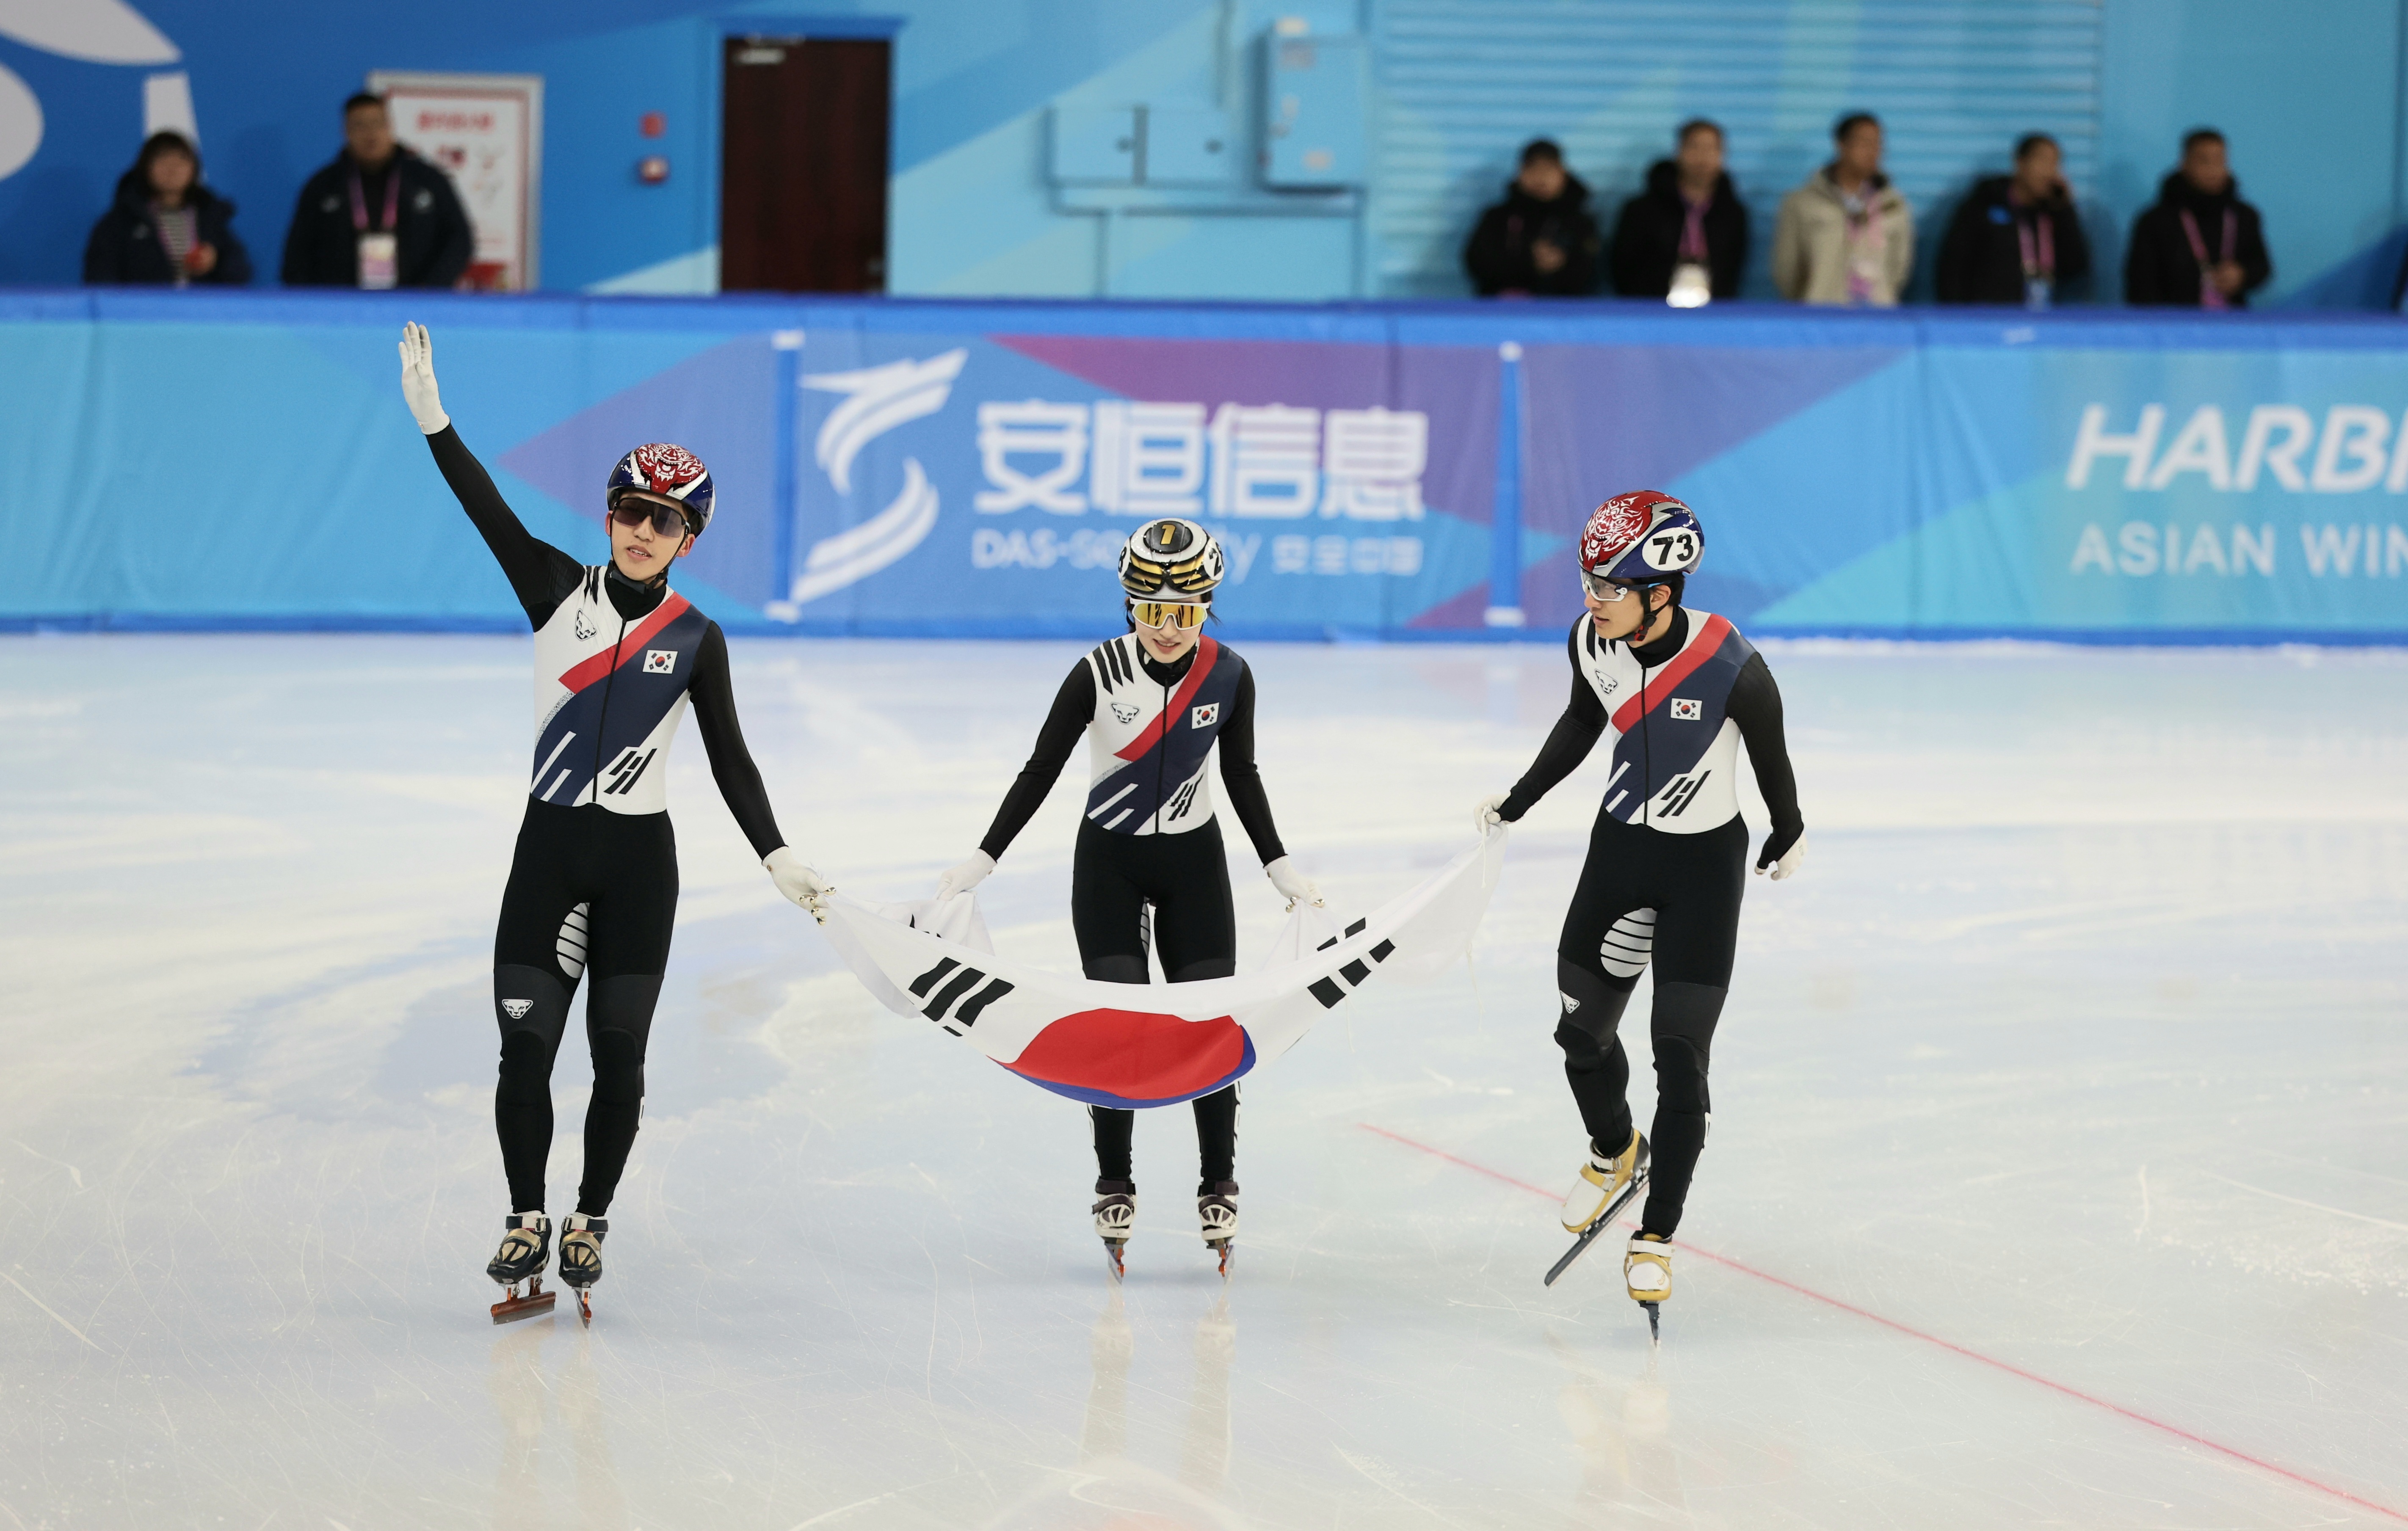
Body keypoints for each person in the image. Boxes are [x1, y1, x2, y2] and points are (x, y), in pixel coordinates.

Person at [393, 323, 830, 1319]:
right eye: (629, 510)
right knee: (524, 1048)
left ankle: (590, 1214)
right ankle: (524, 1214)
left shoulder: (698, 639)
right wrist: (435, 422)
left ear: (690, 539)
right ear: (607, 513)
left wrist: (779, 855)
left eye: (663, 520)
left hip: (638, 863)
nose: (641, 530)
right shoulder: (553, 588)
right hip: (547, 853)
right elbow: (482, 505)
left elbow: (732, 760)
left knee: (619, 1055)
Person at [931, 519, 1317, 1277]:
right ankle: (1115, 1176)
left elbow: (1241, 774)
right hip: (1107, 865)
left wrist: (1278, 865)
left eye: (1184, 611)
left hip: (1194, 867)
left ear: (1207, 604)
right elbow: (1040, 768)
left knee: (1208, 1023)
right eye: (1150, 610)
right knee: (1121, 1024)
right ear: (1128, 605)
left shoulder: (1230, 674)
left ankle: (1217, 1178)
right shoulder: (1095, 673)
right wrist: (985, 854)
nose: (1166, 628)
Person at [1475, 491, 1805, 1324]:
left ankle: (1656, 1233)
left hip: (1703, 869)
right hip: (1620, 853)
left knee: (1681, 1060)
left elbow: (1773, 758)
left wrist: (1788, 829)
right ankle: (1616, 1148)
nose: (1592, 600)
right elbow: (1584, 719)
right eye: (1588, 582)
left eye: (1608, 587)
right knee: (1579, 1033)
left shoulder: (1732, 661)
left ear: (1662, 590)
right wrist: (1520, 797)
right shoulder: (1593, 640)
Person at [283, 94, 473, 290]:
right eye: (360, 125)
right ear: (345, 131)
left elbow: (459, 238)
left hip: (415, 303)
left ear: (390, 126)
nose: (370, 133)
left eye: (377, 123)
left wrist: (431, 288)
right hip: (342, 306)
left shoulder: (428, 180)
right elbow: (298, 253)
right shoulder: (322, 186)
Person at [1772, 112, 1912, 306]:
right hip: (1819, 318)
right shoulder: (1802, 204)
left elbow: (1898, 270)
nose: (1873, 152)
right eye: (1864, 143)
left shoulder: (1894, 206)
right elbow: (1788, 271)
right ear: (1841, 145)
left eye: (1878, 144)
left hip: (1877, 320)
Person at [1936, 133, 2090, 308]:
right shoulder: (1983, 205)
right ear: (2020, 163)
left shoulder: (2054, 214)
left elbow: (2076, 268)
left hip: (2041, 317)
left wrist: (2065, 210)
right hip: (1989, 318)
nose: (2049, 171)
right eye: (2042, 161)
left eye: (2055, 164)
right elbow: (1952, 268)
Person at [81, 130, 252, 287]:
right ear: (145, 167)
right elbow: (101, 282)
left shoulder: (212, 219)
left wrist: (217, 260)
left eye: (182, 159)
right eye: (163, 159)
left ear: (195, 169)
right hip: (142, 317)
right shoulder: (118, 224)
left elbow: (241, 275)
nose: (173, 168)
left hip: (202, 317)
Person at [2124, 129, 2270, 309]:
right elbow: (2140, 284)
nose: (2213, 169)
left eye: (2219, 161)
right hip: (2171, 325)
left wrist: (2242, 274)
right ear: (2184, 164)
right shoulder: (2155, 221)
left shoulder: (2245, 216)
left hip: (2231, 324)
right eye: (2203, 161)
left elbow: (2262, 266)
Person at [1609, 119, 1748, 305]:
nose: (1703, 157)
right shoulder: (1642, 210)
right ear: (1679, 152)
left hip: (1713, 313)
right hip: (1651, 311)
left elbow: (1733, 269)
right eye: (1695, 147)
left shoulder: (1733, 213)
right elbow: (1621, 267)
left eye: (1712, 149)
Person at [1465, 139, 1603, 298]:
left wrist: (1559, 266)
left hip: (1563, 313)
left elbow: (1591, 275)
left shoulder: (1581, 221)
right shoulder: (1497, 218)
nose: (1541, 177)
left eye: (1549, 169)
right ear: (1521, 173)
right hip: (1503, 312)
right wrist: (1528, 262)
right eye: (1534, 169)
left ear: (1563, 173)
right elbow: (1477, 264)